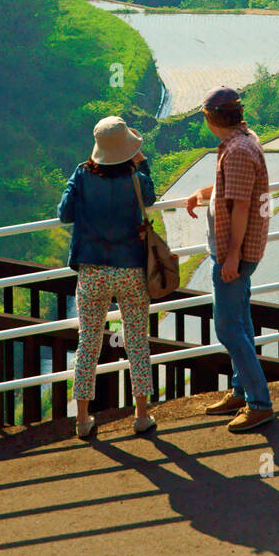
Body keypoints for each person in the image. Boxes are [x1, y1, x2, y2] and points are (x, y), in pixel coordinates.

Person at [58, 115, 157, 440]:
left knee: (88, 344)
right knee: (137, 342)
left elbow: (65, 213)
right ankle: (141, 415)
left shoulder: (83, 174)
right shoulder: (135, 178)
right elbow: (150, 198)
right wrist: (143, 166)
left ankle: (83, 419)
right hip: (130, 270)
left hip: (93, 271)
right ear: (128, 148)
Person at [186, 86, 274, 432]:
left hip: (233, 252)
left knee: (226, 327)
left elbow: (239, 206)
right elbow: (232, 188)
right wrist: (202, 193)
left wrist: (232, 256)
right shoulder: (243, 140)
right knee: (240, 322)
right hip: (238, 251)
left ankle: (259, 403)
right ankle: (241, 391)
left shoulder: (237, 150)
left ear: (211, 119)